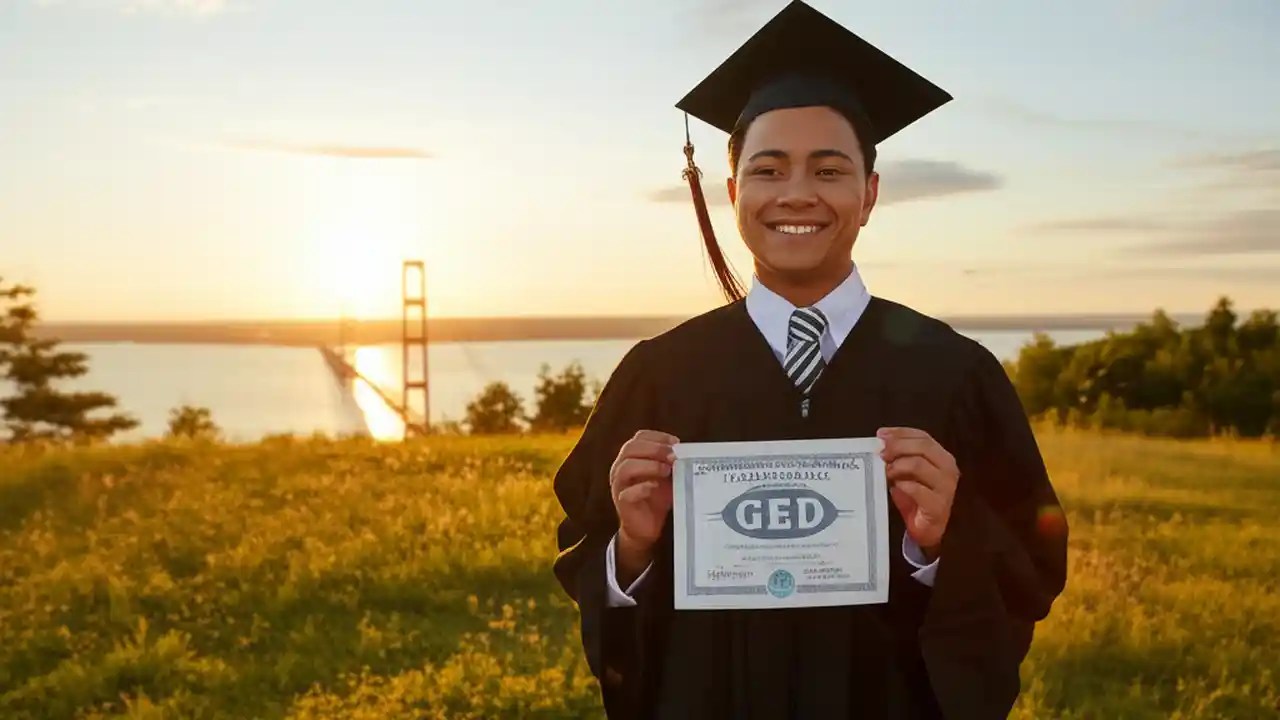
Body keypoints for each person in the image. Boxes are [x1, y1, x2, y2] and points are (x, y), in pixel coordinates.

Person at [551, 2, 1068, 717]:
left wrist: (943, 543)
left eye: (829, 170)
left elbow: (1030, 567)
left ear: (870, 194)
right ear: (734, 193)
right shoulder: (658, 376)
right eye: (769, 170)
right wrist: (632, 550)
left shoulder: (955, 375)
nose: (797, 193)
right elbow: (590, 564)